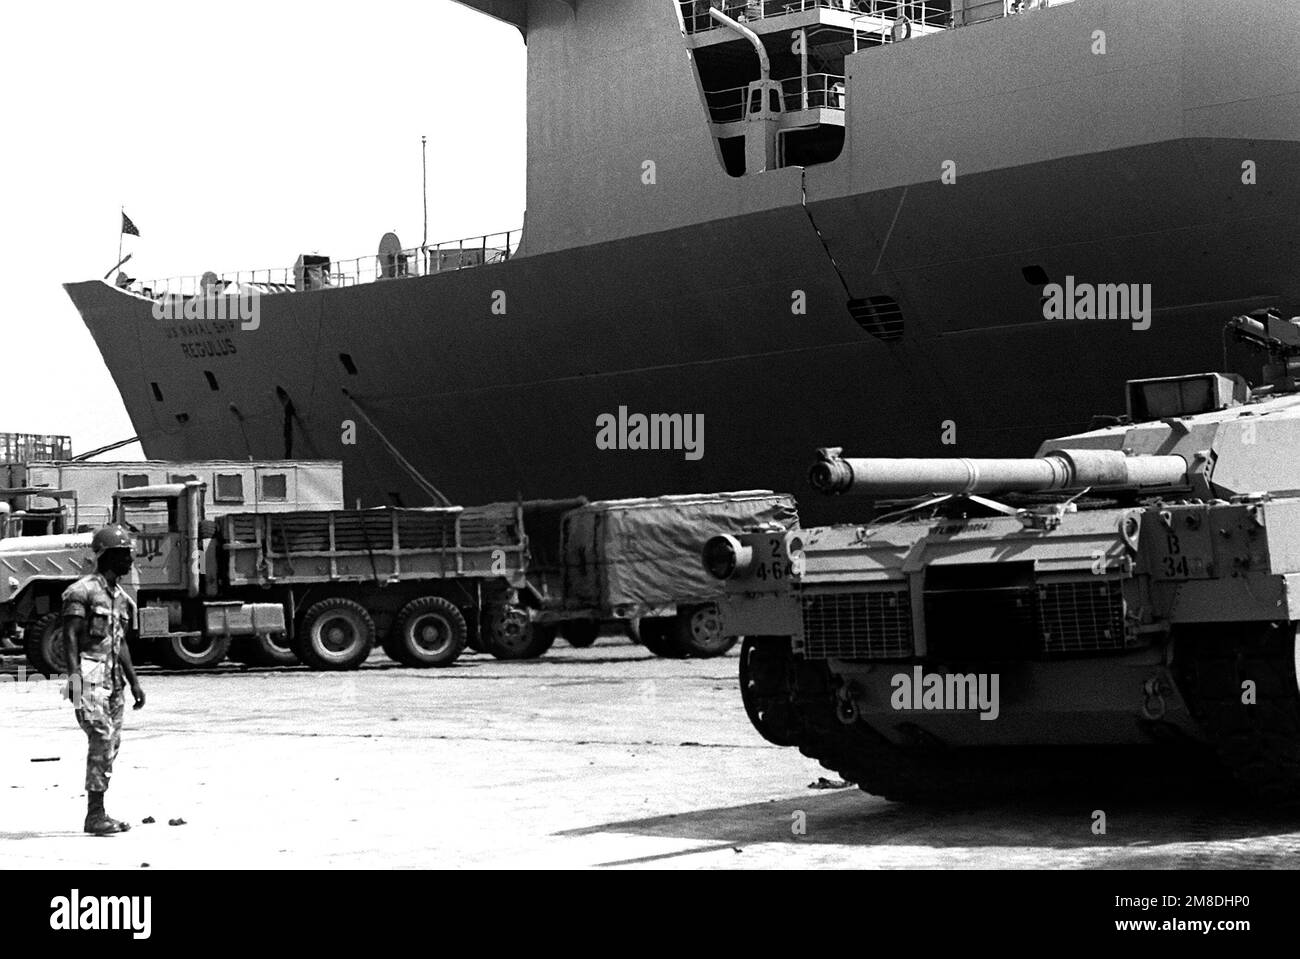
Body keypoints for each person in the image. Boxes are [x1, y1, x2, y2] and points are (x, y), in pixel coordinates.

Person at [62, 524, 145, 835]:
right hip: (90, 676)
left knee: (112, 744)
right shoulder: (81, 591)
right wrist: (73, 679)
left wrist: (135, 682)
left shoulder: (121, 599)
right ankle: (94, 815)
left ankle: (99, 811)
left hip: (115, 681)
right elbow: (69, 637)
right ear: (108, 556)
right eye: (124, 555)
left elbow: (120, 641)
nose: (130, 560)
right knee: (102, 738)